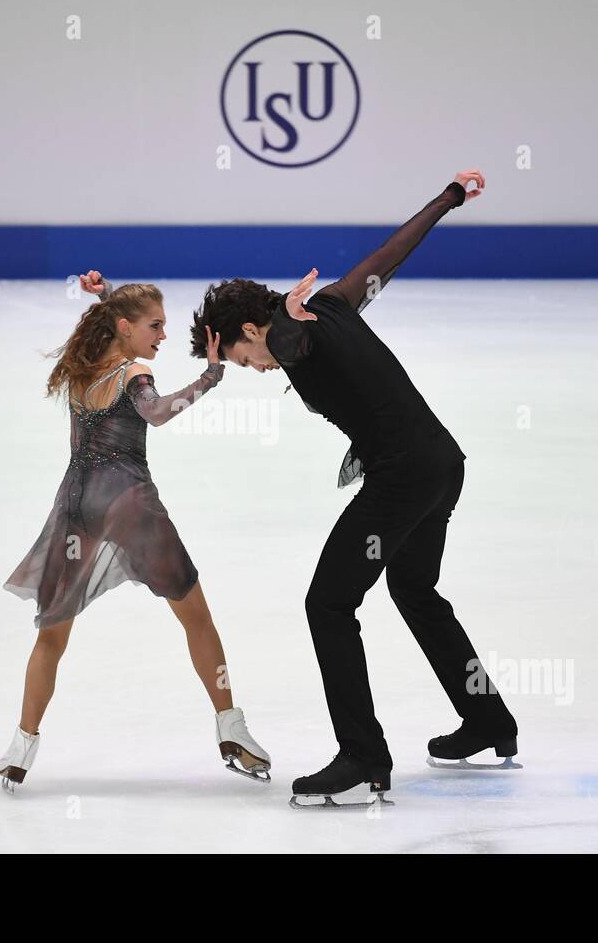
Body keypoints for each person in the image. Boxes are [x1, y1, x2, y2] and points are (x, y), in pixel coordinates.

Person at [188, 170, 518, 808]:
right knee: (414, 588)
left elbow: (293, 341)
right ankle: (488, 721)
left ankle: (364, 757)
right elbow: (389, 256)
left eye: (237, 356)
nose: (251, 369)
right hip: (441, 463)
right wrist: (447, 198)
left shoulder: (289, 332)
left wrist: (282, 327)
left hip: (406, 478)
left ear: (250, 331)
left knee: (329, 604)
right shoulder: (336, 301)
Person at [0, 274, 271, 790]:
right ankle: (230, 729)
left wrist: (108, 298)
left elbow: (117, 324)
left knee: (51, 636)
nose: (163, 336)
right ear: (126, 329)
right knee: (196, 617)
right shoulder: (134, 372)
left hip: (76, 507)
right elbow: (156, 412)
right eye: (156, 326)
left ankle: (21, 746)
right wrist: (212, 376)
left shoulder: (82, 369)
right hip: (128, 505)